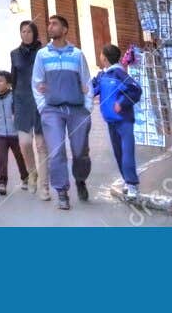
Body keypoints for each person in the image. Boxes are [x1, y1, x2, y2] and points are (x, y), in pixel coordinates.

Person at [32, 13, 92, 210]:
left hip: (77, 110)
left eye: (54, 24)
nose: (50, 27)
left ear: (64, 30)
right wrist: (43, 107)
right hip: (52, 111)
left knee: (80, 151)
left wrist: (87, 107)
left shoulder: (77, 54)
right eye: (49, 24)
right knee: (56, 151)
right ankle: (62, 192)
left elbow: (86, 82)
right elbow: (37, 83)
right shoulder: (42, 55)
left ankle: (80, 179)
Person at [92, 43, 144, 202]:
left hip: (124, 120)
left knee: (127, 152)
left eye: (101, 54)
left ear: (105, 58)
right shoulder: (103, 75)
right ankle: (127, 181)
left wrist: (121, 103)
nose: (100, 56)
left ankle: (132, 184)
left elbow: (135, 89)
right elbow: (91, 89)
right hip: (111, 121)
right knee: (118, 153)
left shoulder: (119, 74)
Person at [9, 20, 49, 200]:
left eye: (28, 31)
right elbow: (14, 79)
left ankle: (44, 187)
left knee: (41, 145)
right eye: (22, 31)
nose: (25, 34)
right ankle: (32, 173)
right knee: (24, 143)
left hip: (40, 102)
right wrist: (13, 105)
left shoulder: (43, 52)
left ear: (35, 33)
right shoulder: (14, 54)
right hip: (22, 102)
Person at [0, 70, 29, 194]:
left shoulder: (14, 97)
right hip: (0, 134)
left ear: (9, 84)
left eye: (1, 81)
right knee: (2, 158)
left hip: (14, 133)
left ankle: (25, 178)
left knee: (19, 156)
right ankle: (1, 183)